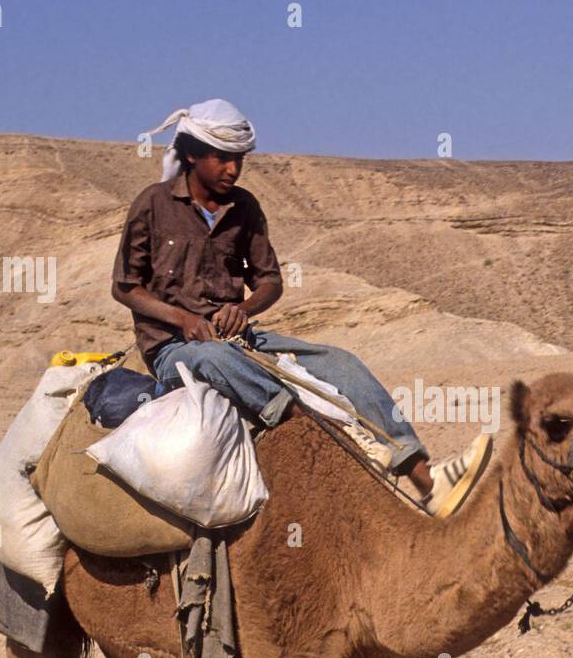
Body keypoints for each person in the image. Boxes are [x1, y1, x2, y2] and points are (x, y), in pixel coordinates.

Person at [112, 99, 491, 517]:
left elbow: (270, 281)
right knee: (214, 359)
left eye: (239, 160)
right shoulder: (152, 204)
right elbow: (125, 286)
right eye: (222, 159)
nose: (233, 170)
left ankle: (425, 479)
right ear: (191, 154)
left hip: (239, 339)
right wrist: (183, 319)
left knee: (340, 362)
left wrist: (245, 310)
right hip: (173, 348)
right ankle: (328, 437)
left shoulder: (245, 207)